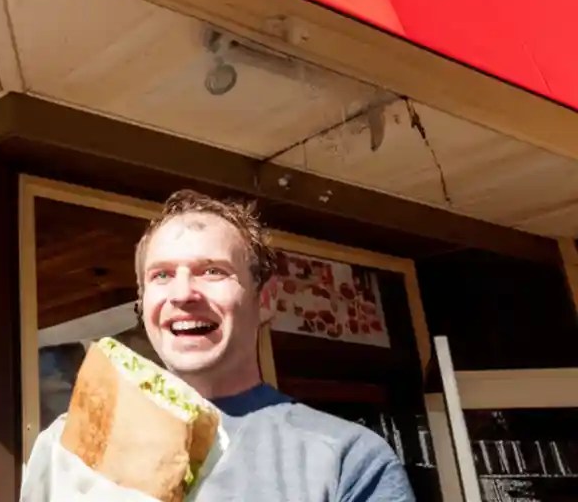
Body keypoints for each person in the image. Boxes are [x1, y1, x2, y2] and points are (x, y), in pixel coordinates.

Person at [21, 190, 416, 502]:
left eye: (212, 271)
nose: (182, 293)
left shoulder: (347, 459)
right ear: (143, 304)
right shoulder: (66, 442)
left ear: (265, 300)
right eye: (161, 275)